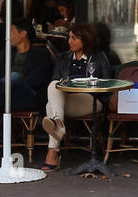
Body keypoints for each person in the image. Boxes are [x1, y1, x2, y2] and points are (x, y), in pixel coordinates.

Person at [0, 19, 54, 169]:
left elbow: (36, 81)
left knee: (15, 77)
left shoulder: (41, 54)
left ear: (23, 34)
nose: (8, 36)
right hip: (5, 98)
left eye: (11, 32)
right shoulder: (5, 54)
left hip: (29, 96)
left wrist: (3, 82)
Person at [39, 23, 111, 171]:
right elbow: (56, 84)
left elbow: (107, 85)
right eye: (69, 37)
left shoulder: (99, 57)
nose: (69, 41)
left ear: (86, 39)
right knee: (53, 87)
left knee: (49, 106)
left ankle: (53, 150)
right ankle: (58, 123)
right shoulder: (63, 58)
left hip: (91, 99)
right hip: (67, 100)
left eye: (74, 38)